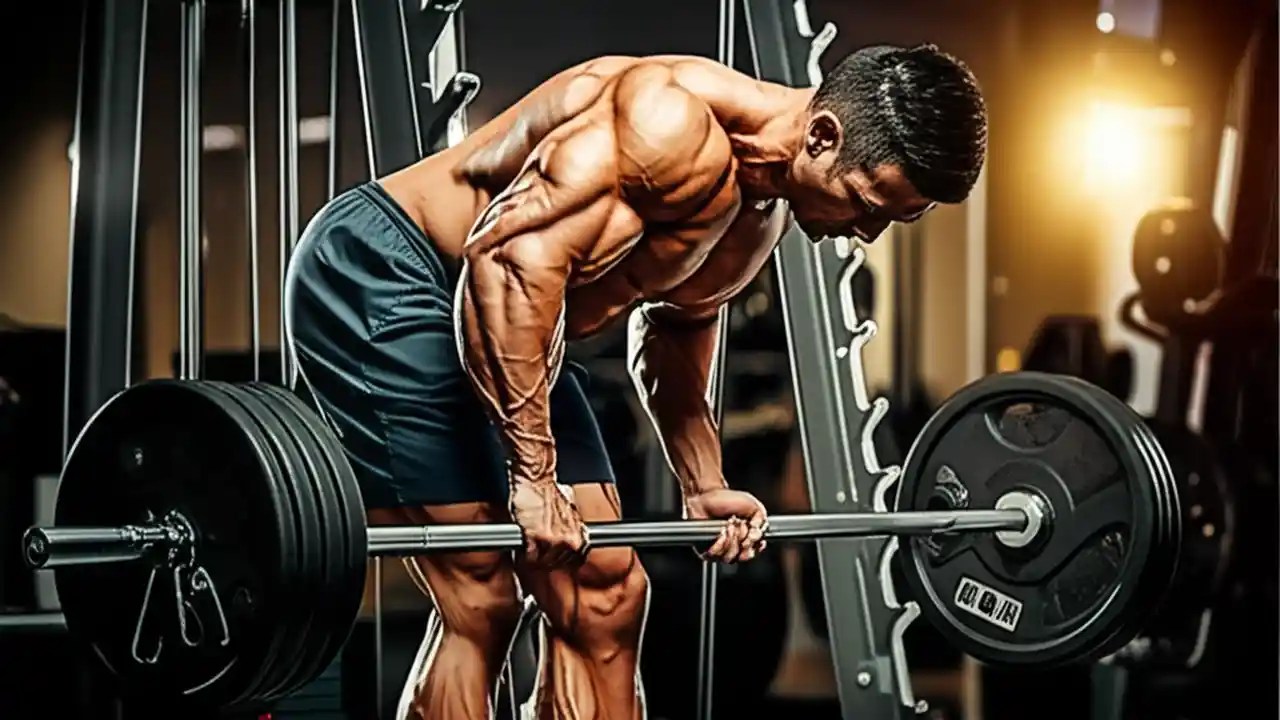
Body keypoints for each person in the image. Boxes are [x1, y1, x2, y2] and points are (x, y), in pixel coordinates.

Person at [284, 43, 987, 720]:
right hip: (391, 272)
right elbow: (507, 262)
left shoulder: (760, 216)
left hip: (524, 321)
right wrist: (535, 478)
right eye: (866, 202)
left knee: (607, 593)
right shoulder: (668, 124)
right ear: (822, 136)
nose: (867, 233)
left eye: (893, 218)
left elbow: (675, 333)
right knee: (483, 590)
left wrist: (703, 481)